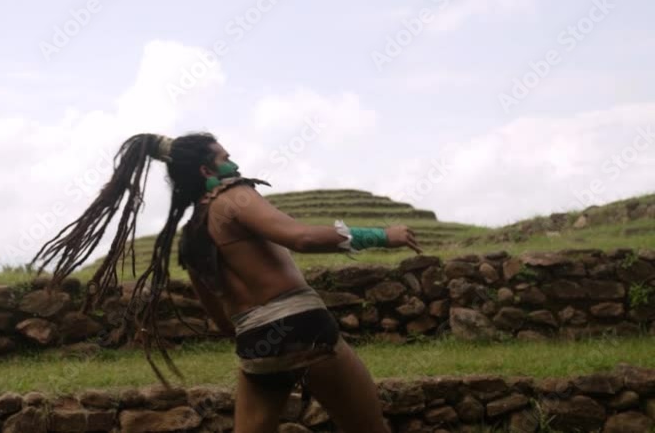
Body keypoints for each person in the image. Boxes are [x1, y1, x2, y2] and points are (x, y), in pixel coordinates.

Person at [31, 132, 421, 433]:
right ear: (206, 172)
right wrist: (382, 235)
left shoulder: (191, 236)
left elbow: (221, 320)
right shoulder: (235, 196)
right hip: (305, 328)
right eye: (223, 156)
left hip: (255, 343)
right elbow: (300, 237)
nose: (233, 162)